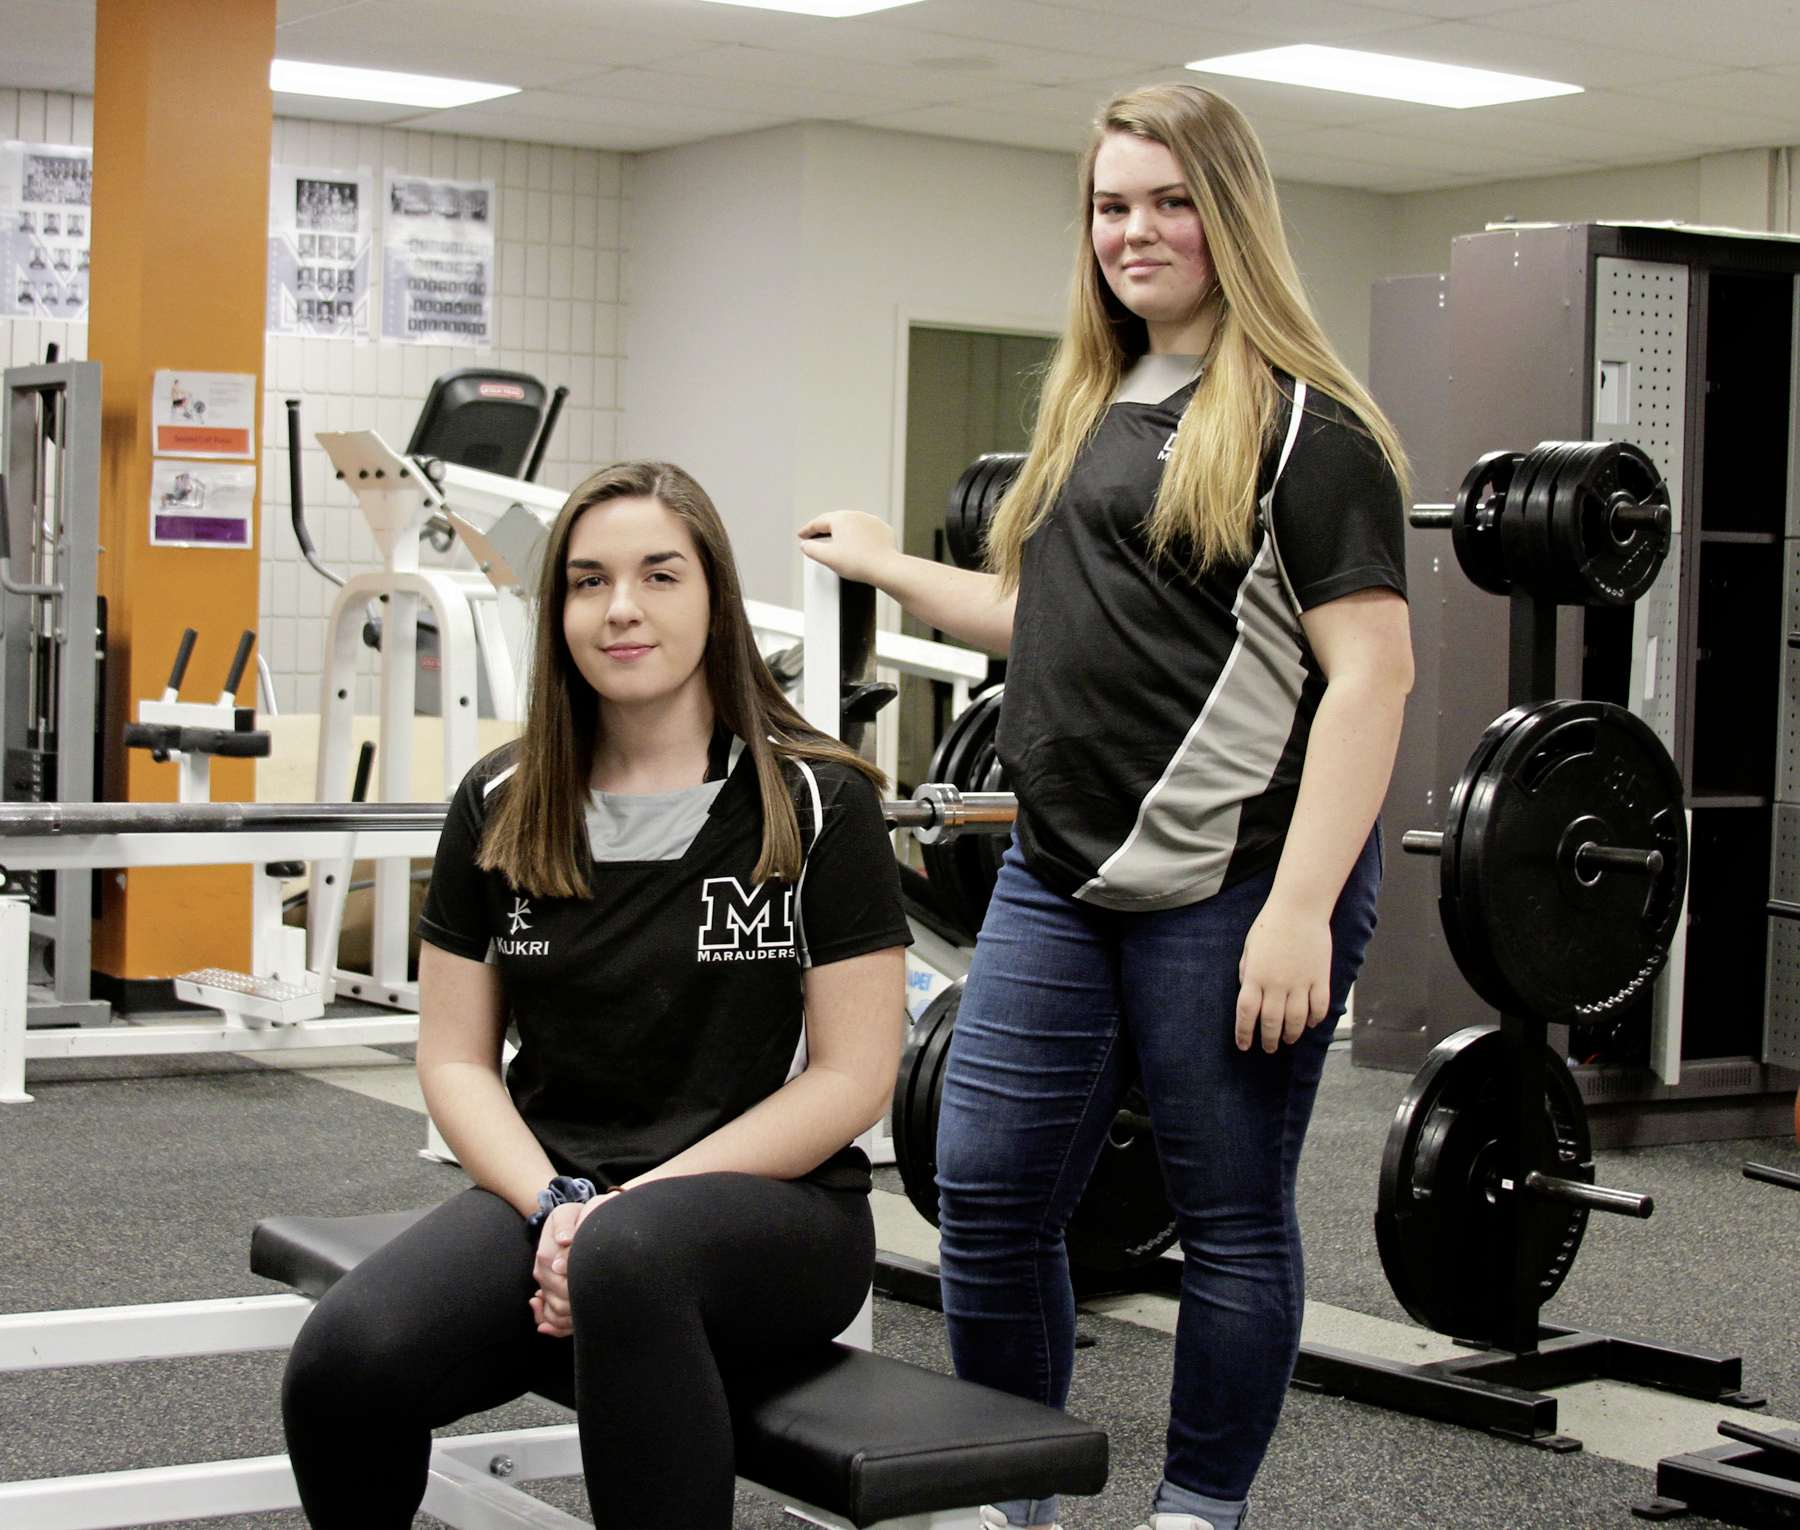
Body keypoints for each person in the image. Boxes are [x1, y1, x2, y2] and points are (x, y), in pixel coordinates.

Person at [800, 83, 1413, 1530]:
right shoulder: (1101, 397)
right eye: (1110, 204)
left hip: (1241, 882)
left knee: (1229, 1221)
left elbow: (1373, 676)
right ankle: (1020, 1494)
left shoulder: (1310, 433)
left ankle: (1199, 1508)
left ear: (1230, 214)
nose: (1134, 230)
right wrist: (888, 565)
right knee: (989, 1199)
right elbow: (1043, 618)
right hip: (1060, 876)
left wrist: (1305, 913)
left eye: (1166, 200)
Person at [282, 460, 912, 1529]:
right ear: (558, 611)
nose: (621, 608)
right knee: (346, 1364)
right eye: (588, 581)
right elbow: (454, 1060)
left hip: (773, 1216)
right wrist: (555, 1206)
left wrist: (623, 1214)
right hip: (552, 1200)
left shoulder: (816, 798)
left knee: (633, 1259)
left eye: (659, 575)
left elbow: (853, 1077)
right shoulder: (501, 800)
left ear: (712, 595)